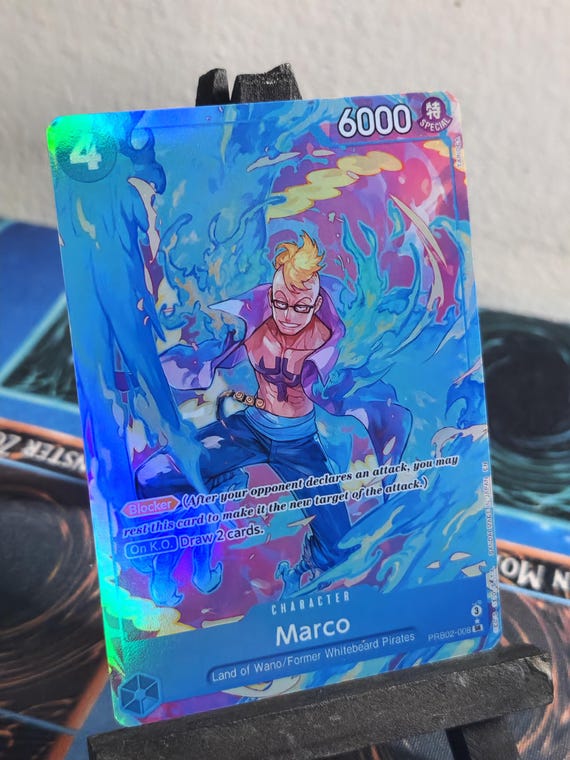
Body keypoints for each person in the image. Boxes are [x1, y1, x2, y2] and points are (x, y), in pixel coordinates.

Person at [137, 232, 354, 599]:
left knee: (340, 547)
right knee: (154, 474)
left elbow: (347, 390)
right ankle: (193, 530)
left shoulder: (327, 340)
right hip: (249, 429)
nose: (288, 316)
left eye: (301, 307)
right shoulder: (253, 329)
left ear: (316, 303)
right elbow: (202, 359)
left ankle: (301, 571)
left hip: (299, 445)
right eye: (280, 302)